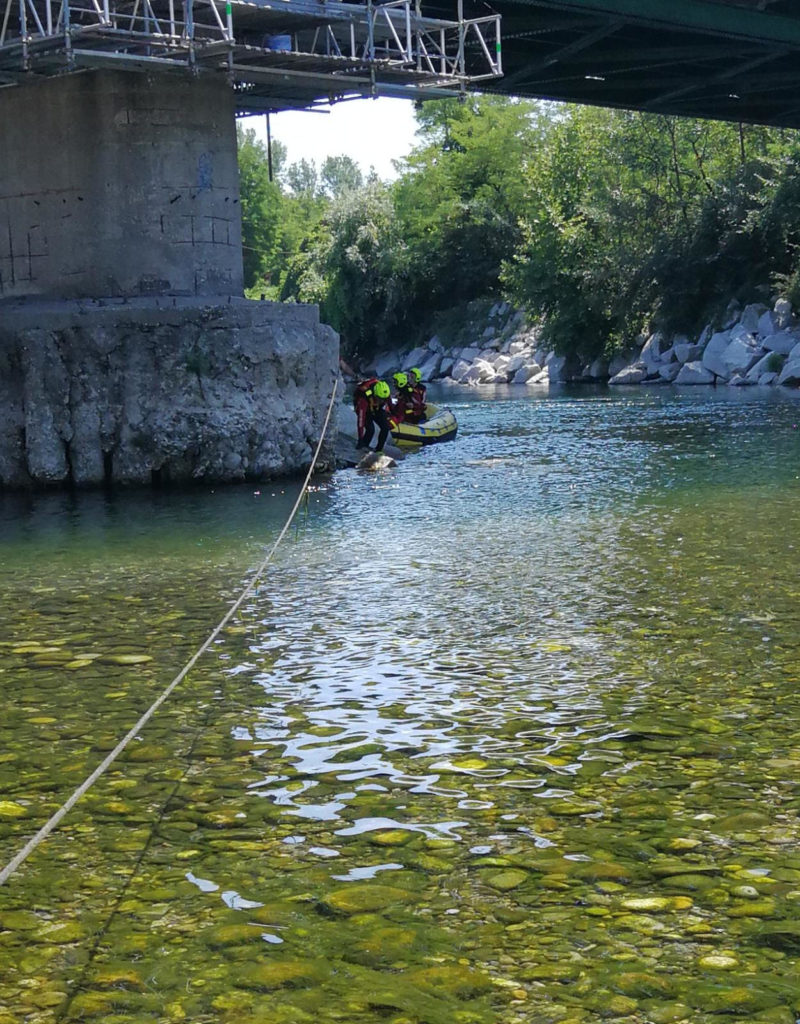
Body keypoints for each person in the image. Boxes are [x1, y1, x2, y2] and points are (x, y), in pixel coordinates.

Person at [353, 378, 392, 451]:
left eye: (383, 399)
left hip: (376, 407)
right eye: (380, 399)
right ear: (375, 394)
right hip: (365, 408)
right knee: (370, 429)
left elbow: (390, 405)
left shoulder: (385, 394)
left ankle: (379, 450)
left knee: (385, 427)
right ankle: (362, 446)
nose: (382, 401)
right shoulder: (364, 398)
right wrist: (360, 439)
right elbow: (361, 420)